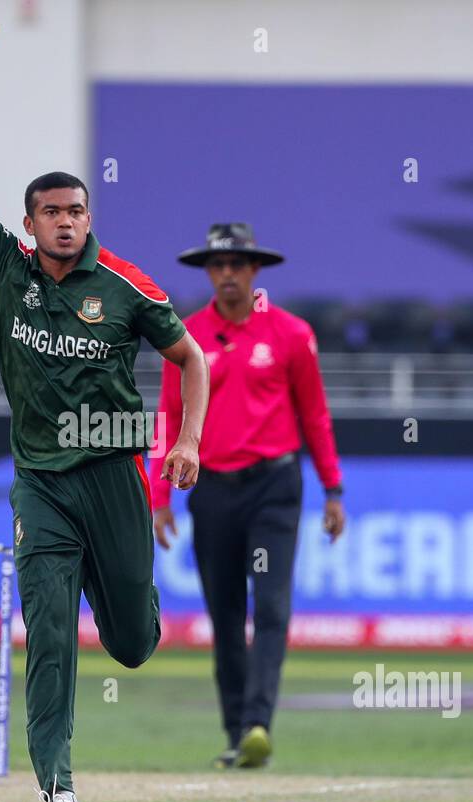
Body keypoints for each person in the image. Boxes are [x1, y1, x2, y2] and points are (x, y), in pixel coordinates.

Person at [0, 27, 209, 802]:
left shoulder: (126, 287)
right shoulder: (10, 270)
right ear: (29, 222)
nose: (66, 222)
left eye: (77, 210)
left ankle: (123, 593)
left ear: (92, 216)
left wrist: (187, 443)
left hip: (115, 476)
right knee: (48, 635)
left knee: (130, 643)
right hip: (42, 485)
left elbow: (191, 359)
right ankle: (60, 797)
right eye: (52, 212)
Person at [151, 223, 346, 770]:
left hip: (275, 486)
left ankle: (258, 722)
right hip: (211, 487)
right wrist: (158, 496)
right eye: (219, 265)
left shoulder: (290, 334)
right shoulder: (184, 337)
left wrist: (333, 489)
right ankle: (238, 732)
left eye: (238, 264)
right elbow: (167, 417)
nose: (229, 274)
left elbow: (315, 415)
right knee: (225, 615)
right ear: (208, 273)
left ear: (255, 270)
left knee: (274, 608)